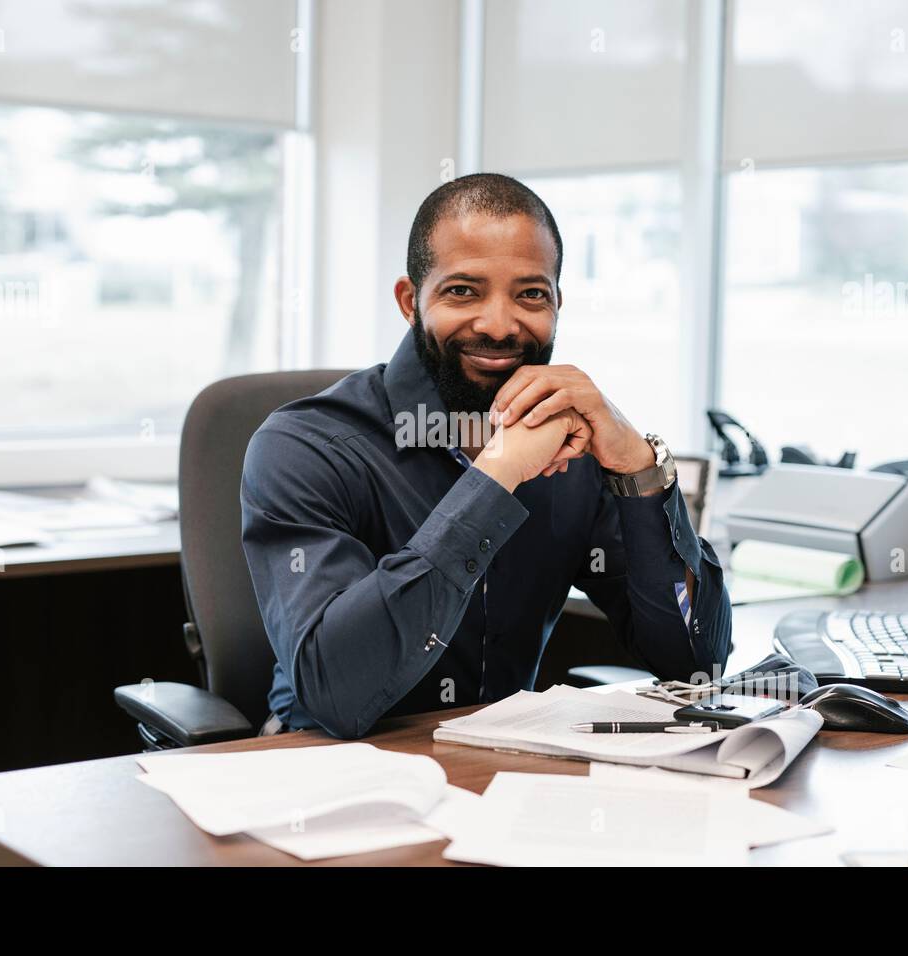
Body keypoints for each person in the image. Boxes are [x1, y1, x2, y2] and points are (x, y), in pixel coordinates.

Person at [241, 172, 732, 738]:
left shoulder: (575, 445)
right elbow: (337, 694)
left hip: (503, 770)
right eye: (462, 291)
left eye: (530, 294)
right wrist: (495, 476)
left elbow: (699, 664)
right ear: (410, 301)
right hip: (321, 769)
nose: (499, 325)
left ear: (556, 303)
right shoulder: (304, 447)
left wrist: (638, 468)